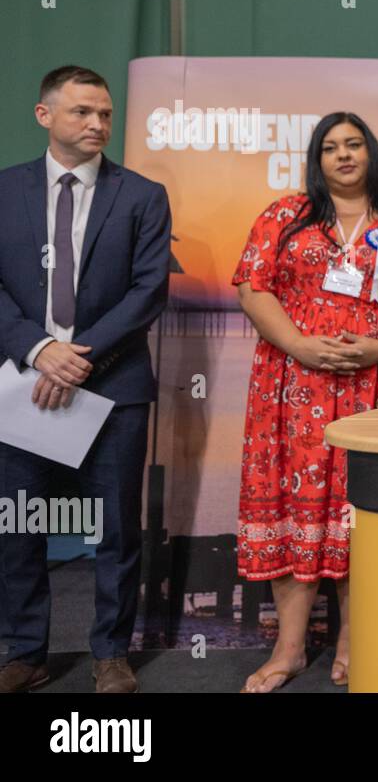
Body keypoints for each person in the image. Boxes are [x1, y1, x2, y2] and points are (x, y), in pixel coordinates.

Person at [232, 112, 378, 692]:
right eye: (330, 148)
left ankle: (355, 642)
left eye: (354, 145)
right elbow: (253, 285)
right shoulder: (285, 216)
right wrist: (300, 343)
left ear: (371, 153)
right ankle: (289, 649)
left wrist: (377, 349)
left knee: (362, 512)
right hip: (295, 387)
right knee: (296, 513)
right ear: (317, 160)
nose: (343, 155)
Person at [0, 66, 172, 693]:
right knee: (19, 525)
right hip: (20, 384)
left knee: (117, 526)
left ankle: (110, 654)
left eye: (104, 113)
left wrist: (78, 358)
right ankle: (25, 652)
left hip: (114, 384)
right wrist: (40, 349)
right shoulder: (3, 190)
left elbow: (148, 290)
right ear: (45, 115)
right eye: (82, 113)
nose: (98, 124)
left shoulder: (143, 195)